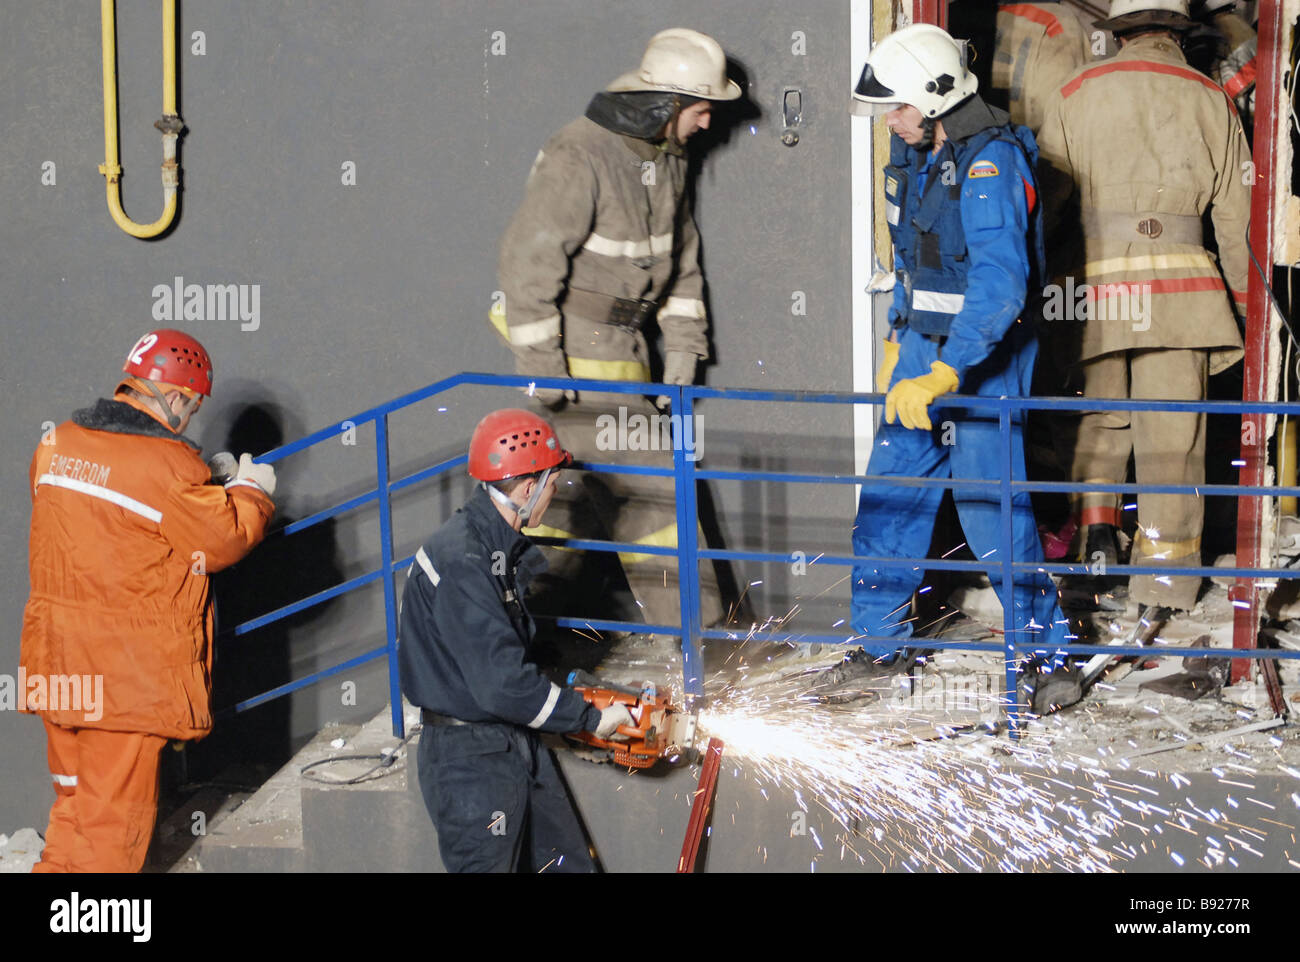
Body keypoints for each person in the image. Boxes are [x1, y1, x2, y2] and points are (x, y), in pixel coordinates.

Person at [817, 23, 1074, 706]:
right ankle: (879, 648)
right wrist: (902, 344)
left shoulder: (990, 163)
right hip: (924, 356)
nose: (892, 122)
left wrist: (948, 368)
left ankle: (1050, 657)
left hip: (981, 361)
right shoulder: (920, 155)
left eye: (900, 107)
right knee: (889, 502)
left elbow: (999, 287)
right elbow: (914, 262)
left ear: (938, 97)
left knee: (992, 511)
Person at [493, 28, 740, 639]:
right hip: (573, 352)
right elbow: (528, 262)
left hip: (625, 353)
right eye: (704, 108)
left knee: (565, 508)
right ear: (668, 103)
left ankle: (520, 647)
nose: (709, 123)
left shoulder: (667, 158)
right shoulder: (580, 154)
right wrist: (542, 364)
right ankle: (705, 658)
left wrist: (683, 344)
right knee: (657, 495)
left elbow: (681, 259)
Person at [20, 329, 276, 872]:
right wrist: (252, 490)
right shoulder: (166, 467)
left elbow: (118, 519)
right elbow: (223, 539)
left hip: (57, 666)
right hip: (121, 680)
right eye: (193, 405)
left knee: (74, 810)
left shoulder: (56, 444)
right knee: (112, 834)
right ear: (177, 396)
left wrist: (203, 485)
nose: (189, 418)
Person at [1036, 0, 1250, 624]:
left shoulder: (1076, 90)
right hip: (1184, 290)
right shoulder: (1211, 97)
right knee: (1173, 435)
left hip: (1094, 286)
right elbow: (1236, 219)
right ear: (1178, 31)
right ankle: (1164, 579)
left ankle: (1096, 543)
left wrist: (1047, 292)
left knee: (1098, 421)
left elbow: (1048, 203)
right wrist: (1241, 303)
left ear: (1120, 30)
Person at [399, 409, 634, 873]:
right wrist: (587, 718)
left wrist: (568, 688)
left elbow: (504, 653)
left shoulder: (491, 549)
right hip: (471, 764)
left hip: (509, 743)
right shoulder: (466, 562)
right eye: (551, 484)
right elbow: (502, 685)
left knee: (566, 866)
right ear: (527, 488)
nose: (553, 493)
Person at [992, 2, 1095, 133]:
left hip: (980, 143)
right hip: (1032, 143)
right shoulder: (1059, 20)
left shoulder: (977, 16)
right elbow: (1060, 107)